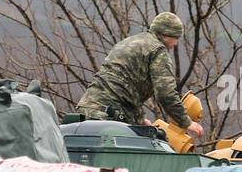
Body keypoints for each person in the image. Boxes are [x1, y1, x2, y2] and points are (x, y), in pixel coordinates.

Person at [75, 12, 205, 137]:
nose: (175, 44)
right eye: (176, 38)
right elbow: (166, 93)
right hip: (109, 118)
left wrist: (139, 120)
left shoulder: (128, 43)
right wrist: (186, 122)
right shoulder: (158, 50)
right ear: (167, 35)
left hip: (86, 111)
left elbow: (123, 84)